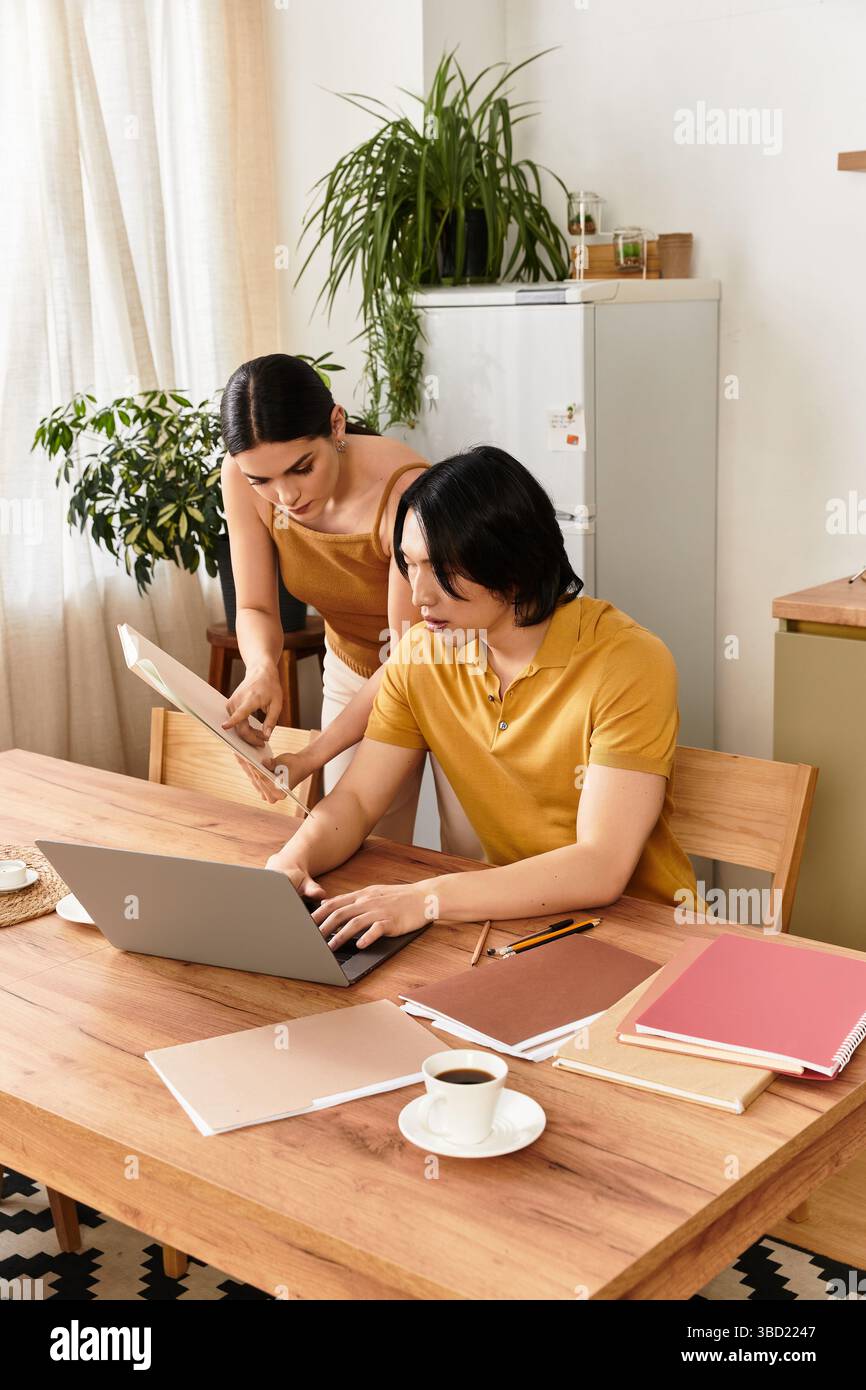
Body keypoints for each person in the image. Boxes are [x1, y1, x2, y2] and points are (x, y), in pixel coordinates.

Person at [263, 445, 699, 952]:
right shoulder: (424, 656)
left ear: (510, 562)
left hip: (651, 933)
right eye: (409, 565)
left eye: (441, 568)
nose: (420, 594)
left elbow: (601, 866)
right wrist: (293, 859)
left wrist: (425, 898)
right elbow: (358, 801)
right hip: (520, 928)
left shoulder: (627, 661)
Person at [218, 352, 479, 850]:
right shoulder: (241, 477)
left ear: (336, 423)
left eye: (301, 468)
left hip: (451, 670)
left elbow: (409, 657)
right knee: (362, 845)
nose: (286, 496)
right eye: (263, 481)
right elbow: (253, 607)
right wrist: (260, 669)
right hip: (354, 667)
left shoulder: (404, 489)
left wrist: (314, 752)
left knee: (471, 850)